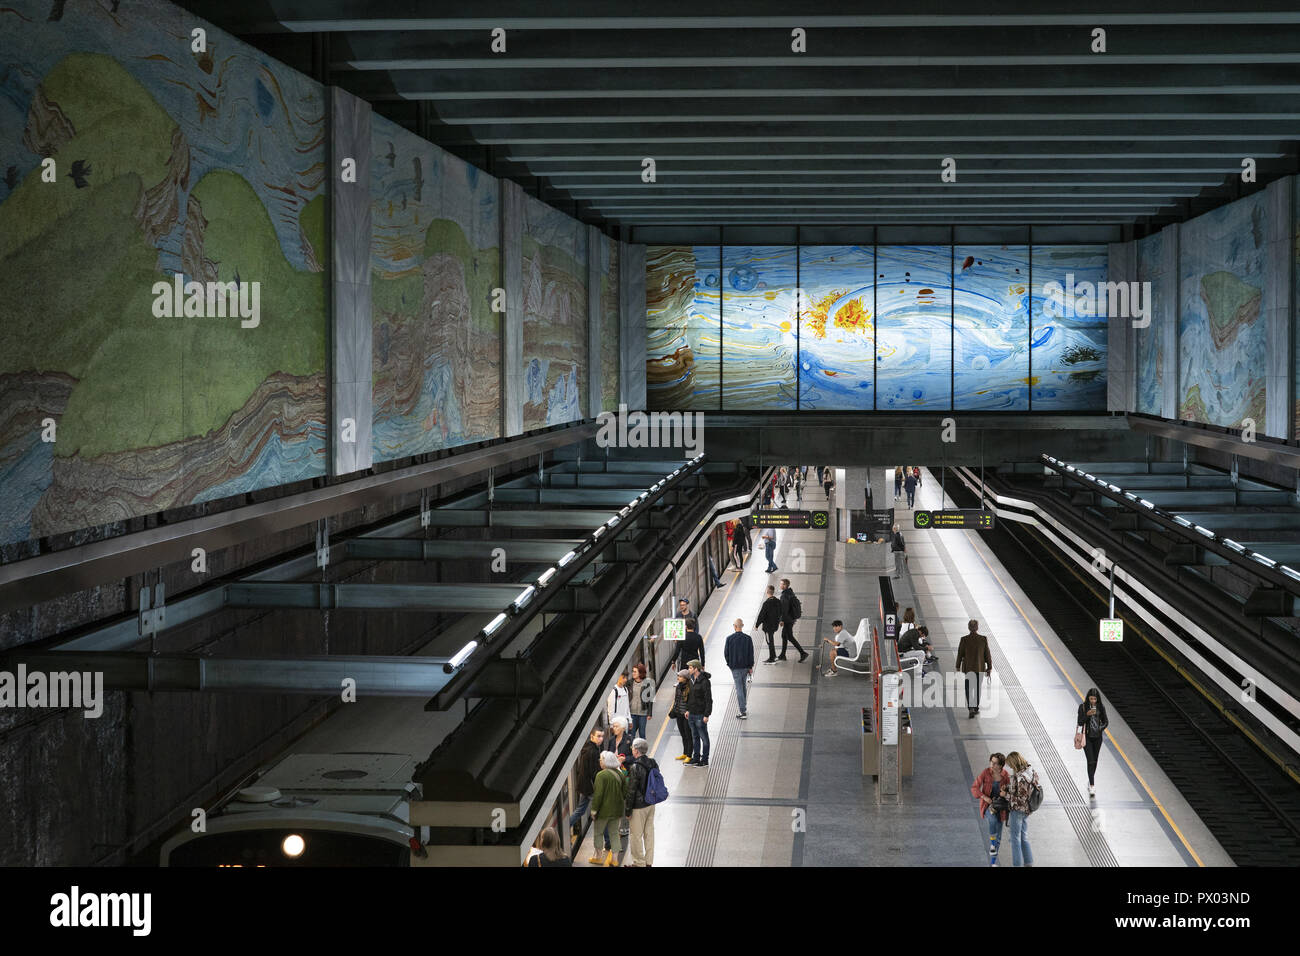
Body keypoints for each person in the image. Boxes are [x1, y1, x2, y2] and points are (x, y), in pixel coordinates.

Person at [624, 737, 660, 867]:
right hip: (651, 804)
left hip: (638, 807)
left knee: (636, 835)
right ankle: (649, 861)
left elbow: (631, 791)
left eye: (633, 747)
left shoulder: (635, 767)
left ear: (636, 751)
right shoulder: (653, 762)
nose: (632, 749)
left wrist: (627, 810)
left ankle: (639, 862)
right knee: (649, 833)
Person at [971, 752, 1010, 866]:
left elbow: (1008, 792)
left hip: (1001, 808)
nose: (992, 765)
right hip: (988, 806)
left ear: (1001, 766)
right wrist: (984, 797)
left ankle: (993, 863)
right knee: (992, 819)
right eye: (991, 762)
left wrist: (1005, 792)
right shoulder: (986, 773)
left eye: (995, 763)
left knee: (999, 837)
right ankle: (992, 844)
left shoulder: (1005, 775)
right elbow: (974, 787)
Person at [589, 751, 627, 866]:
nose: (599, 761)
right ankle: (615, 860)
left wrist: (594, 810)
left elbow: (598, 795)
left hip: (603, 812)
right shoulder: (620, 774)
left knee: (598, 833)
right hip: (616, 811)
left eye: (601, 759)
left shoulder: (601, 775)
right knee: (614, 833)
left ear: (605, 761)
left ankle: (599, 857)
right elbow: (624, 793)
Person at [568, 727, 605, 843]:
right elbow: (594, 773)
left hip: (584, 786)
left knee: (580, 810)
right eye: (598, 736)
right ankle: (608, 840)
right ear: (592, 736)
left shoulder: (587, 748)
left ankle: (564, 829)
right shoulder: (593, 752)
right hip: (590, 787)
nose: (601, 739)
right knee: (602, 812)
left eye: (602, 736)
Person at [1003, 751, 1039, 867]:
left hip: (1019, 810)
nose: (1009, 767)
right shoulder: (1030, 771)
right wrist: (1009, 787)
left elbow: (1021, 799)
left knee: (1015, 839)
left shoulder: (1021, 778)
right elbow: (1024, 791)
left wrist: (1005, 795)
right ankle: (1028, 863)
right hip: (1027, 810)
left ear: (1014, 763)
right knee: (1023, 836)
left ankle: (1017, 865)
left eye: (1010, 765)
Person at [1075, 687, 1110, 798]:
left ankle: (1090, 778)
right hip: (1087, 738)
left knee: (1095, 761)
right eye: (1091, 698)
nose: (1093, 701)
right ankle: (1092, 785)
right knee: (1090, 761)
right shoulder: (1083, 707)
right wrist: (1087, 715)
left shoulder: (1100, 707)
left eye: (1094, 699)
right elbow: (1080, 722)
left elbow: (1106, 722)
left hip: (1098, 738)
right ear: (1088, 698)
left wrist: (1100, 728)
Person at [955, 619, 992, 718]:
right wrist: (989, 667)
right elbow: (987, 654)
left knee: (968, 688)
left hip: (968, 668)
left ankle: (970, 707)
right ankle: (975, 707)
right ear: (977, 628)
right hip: (979, 668)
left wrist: (958, 666)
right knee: (977, 688)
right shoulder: (983, 639)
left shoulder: (964, 639)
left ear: (968, 628)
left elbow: (960, 653)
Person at [723, 618, 755, 718]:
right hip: (745, 667)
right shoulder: (748, 638)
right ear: (743, 625)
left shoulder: (729, 638)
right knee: (743, 686)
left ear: (735, 626)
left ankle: (742, 711)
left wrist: (730, 664)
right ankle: (743, 707)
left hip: (735, 668)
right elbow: (751, 654)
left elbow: (726, 653)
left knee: (739, 688)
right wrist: (750, 666)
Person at [684, 659, 712, 767]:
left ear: (696, 669)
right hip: (692, 714)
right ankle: (696, 758)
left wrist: (707, 715)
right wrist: (687, 710)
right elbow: (690, 697)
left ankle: (704, 760)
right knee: (695, 737)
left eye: (690, 668)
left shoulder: (704, 682)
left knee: (703, 737)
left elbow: (708, 699)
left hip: (700, 714)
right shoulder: (691, 680)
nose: (688, 670)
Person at [778, 578, 808, 662]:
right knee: (784, 636)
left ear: (785, 585)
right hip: (791, 618)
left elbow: (784, 609)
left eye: (781, 584)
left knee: (790, 637)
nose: (780, 585)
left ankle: (803, 653)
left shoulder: (784, 596)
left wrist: (781, 620)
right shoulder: (790, 592)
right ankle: (782, 655)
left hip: (788, 619)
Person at [668, 668, 693, 761]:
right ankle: (685, 753)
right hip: (679, 713)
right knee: (682, 734)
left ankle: (689, 755)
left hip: (686, 715)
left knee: (688, 735)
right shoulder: (678, 686)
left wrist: (688, 710)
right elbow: (676, 699)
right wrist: (674, 709)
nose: (678, 677)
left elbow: (691, 701)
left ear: (685, 678)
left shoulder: (690, 687)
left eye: (680, 676)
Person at [756, 585, 783, 663]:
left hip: (768, 627)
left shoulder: (766, 603)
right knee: (771, 640)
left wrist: (757, 625)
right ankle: (773, 655)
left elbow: (762, 615)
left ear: (767, 592)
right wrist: (781, 620)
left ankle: (772, 657)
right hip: (775, 625)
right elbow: (781, 612)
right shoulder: (778, 601)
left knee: (769, 641)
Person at [628, 663, 654, 740]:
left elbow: (650, 699)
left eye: (635, 672)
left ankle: (643, 751)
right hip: (632, 713)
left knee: (642, 734)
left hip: (643, 713)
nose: (633, 673)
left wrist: (649, 713)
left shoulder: (647, 684)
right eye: (633, 671)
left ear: (640, 673)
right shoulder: (629, 683)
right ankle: (632, 751)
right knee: (631, 734)